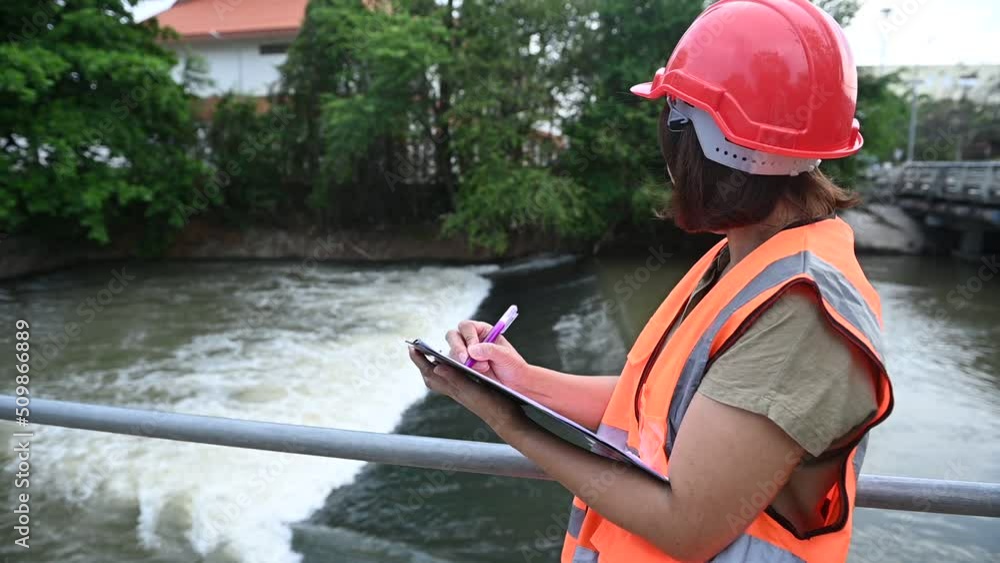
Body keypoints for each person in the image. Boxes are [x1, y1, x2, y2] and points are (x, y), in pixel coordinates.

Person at [408, 0, 894, 560]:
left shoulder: (801, 308)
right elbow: (664, 405)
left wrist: (507, 421)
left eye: (672, 119)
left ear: (701, 140)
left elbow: (686, 526)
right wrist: (520, 381)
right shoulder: (748, 257)